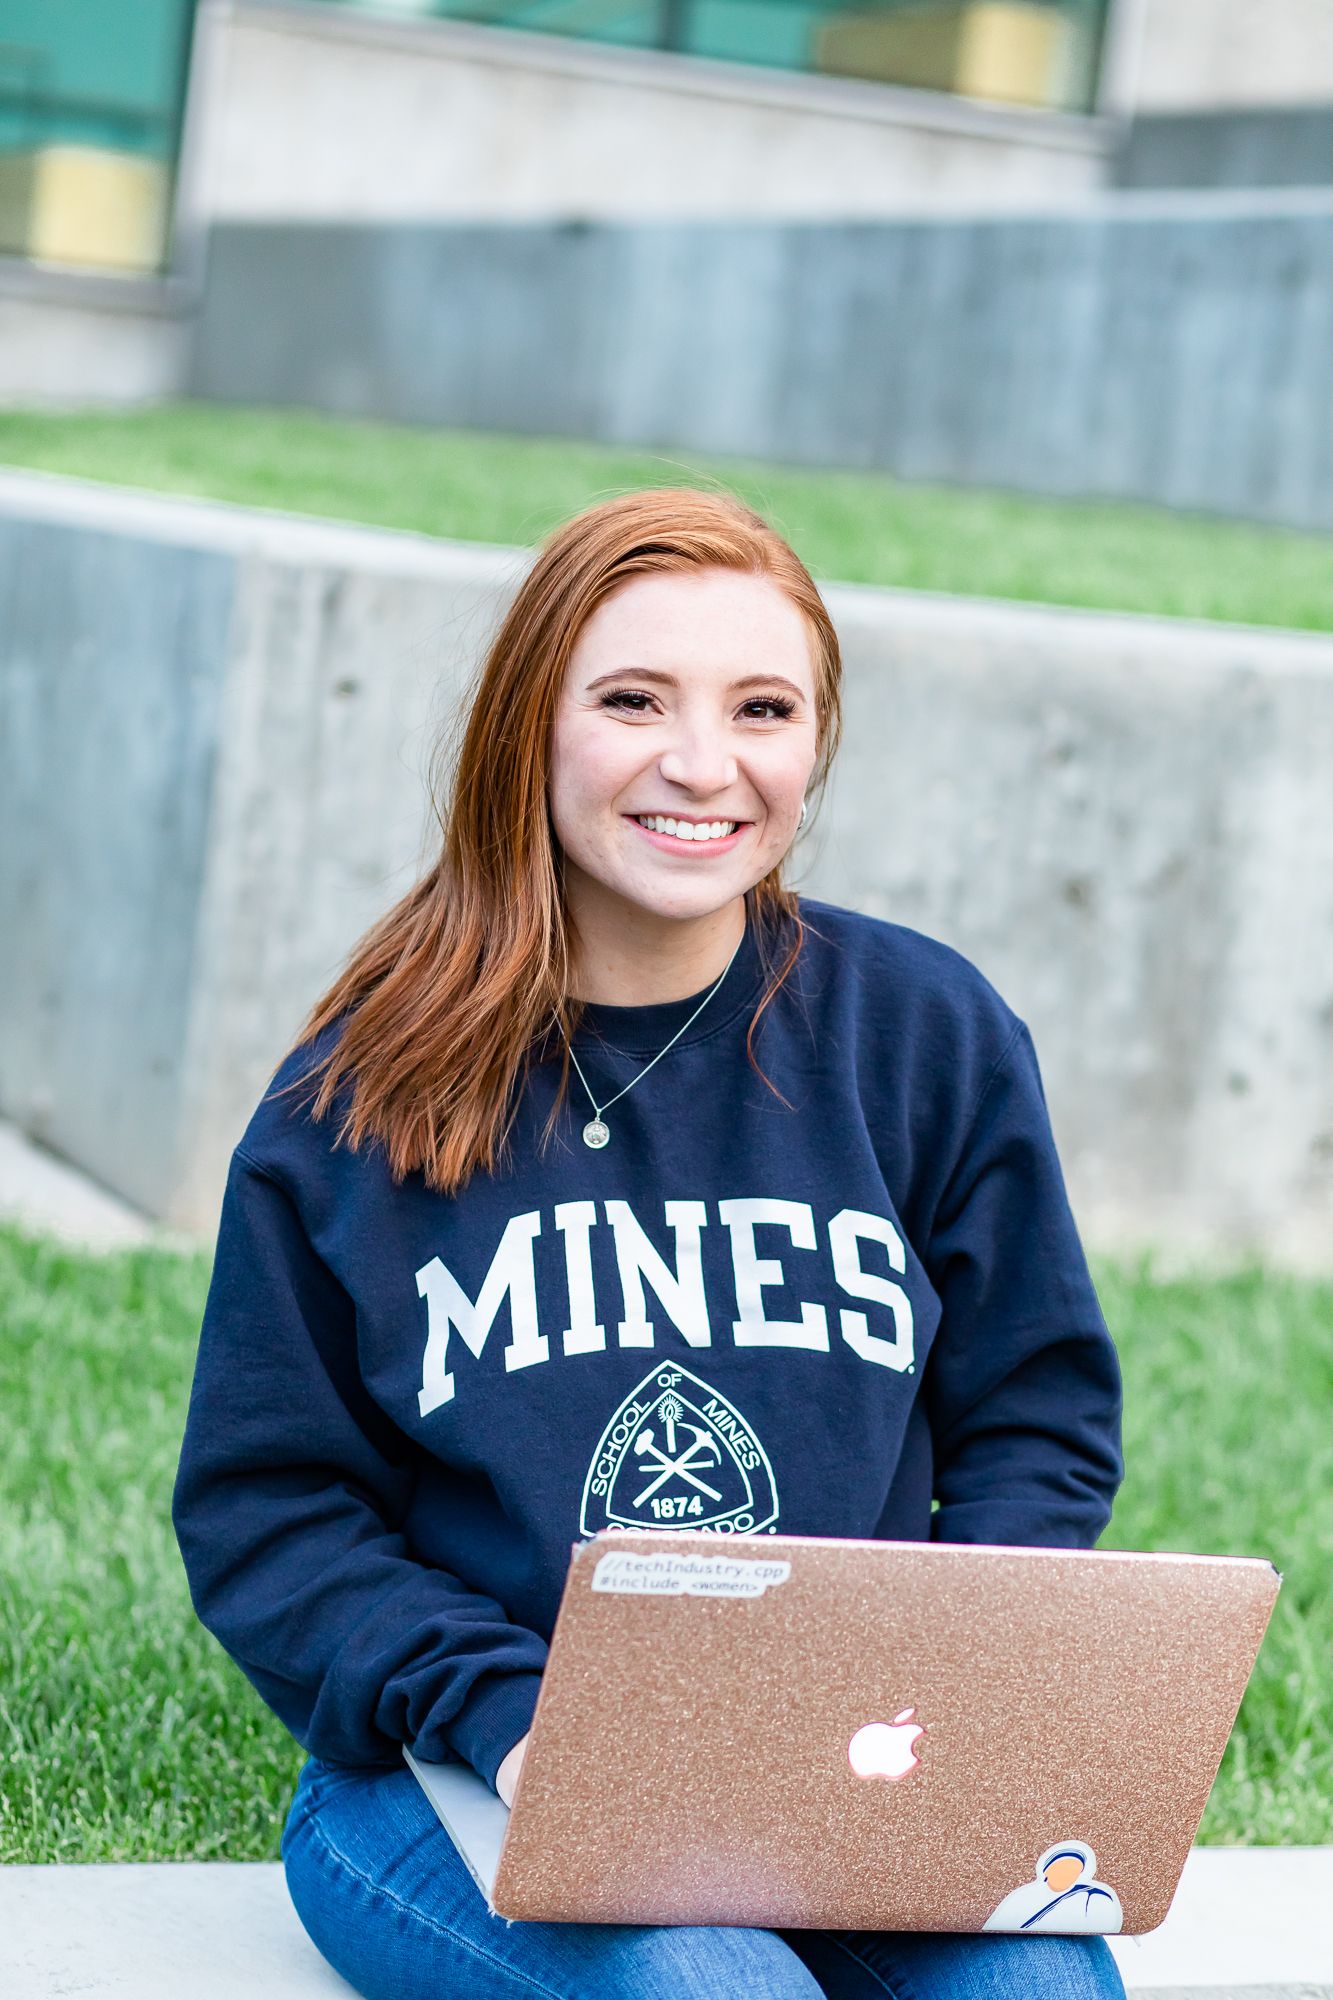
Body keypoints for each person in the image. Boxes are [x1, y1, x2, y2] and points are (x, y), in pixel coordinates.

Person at [172, 487, 1127, 2000]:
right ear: (528, 729)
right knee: (712, 1985)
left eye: (763, 707)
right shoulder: (363, 1098)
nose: (703, 763)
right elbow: (268, 1512)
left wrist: (944, 1687)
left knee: (1039, 1994)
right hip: (464, 1768)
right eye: (631, 700)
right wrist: (517, 1714)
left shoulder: (922, 1035)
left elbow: (1036, 1414)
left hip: (847, 1767)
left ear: (814, 746)